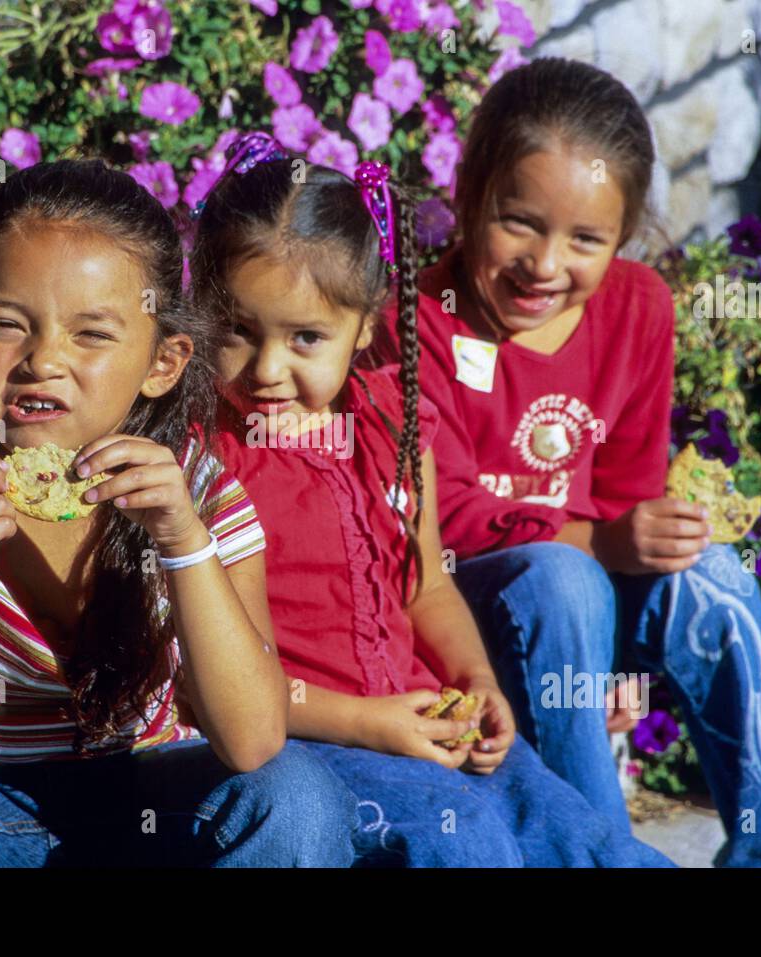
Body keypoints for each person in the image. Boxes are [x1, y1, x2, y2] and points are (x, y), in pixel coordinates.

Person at [0, 158, 359, 867]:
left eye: (91, 333)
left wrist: (181, 542)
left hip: (150, 798)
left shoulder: (195, 490)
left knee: (297, 793)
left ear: (164, 361)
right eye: (5, 324)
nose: (42, 360)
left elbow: (252, 739)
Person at [189, 132, 675, 867]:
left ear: (366, 326)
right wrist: (370, 723)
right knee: (468, 845)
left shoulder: (389, 424)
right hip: (312, 744)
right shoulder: (204, 457)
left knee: (590, 842)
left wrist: (476, 683)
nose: (267, 368)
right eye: (238, 330)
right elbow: (201, 679)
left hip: (420, 718)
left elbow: (429, 585)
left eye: (307, 337)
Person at [407, 58, 761, 867]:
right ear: (467, 193)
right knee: (559, 578)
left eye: (585, 239)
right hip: (472, 618)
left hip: (580, 608)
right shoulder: (422, 324)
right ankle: (601, 854)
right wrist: (603, 549)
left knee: (713, 574)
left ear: (625, 234)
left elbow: (626, 487)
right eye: (519, 221)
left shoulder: (637, 305)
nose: (545, 264)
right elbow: (451, 525)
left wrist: (607, 639)